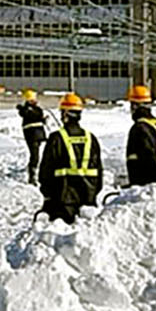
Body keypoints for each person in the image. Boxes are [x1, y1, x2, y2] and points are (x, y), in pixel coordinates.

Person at [38, 92, 102, 223]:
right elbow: (99, 171)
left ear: (65, 114)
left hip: (62, 200)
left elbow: (46, 170)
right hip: (88, 200)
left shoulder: (56, 138)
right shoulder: (91, 138)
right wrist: (93, 193)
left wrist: (48, 196)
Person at [17, 88, 47, 184]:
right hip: (32, 135)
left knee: (39, 155)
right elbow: (25, 114)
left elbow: (38, 117)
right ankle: (32, 175)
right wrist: (22, 108)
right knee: (35, 155)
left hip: (39, 134)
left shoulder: (38, 109)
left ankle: (37, 173)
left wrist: (43, 120)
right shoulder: (26, 109)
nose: (35, 100)